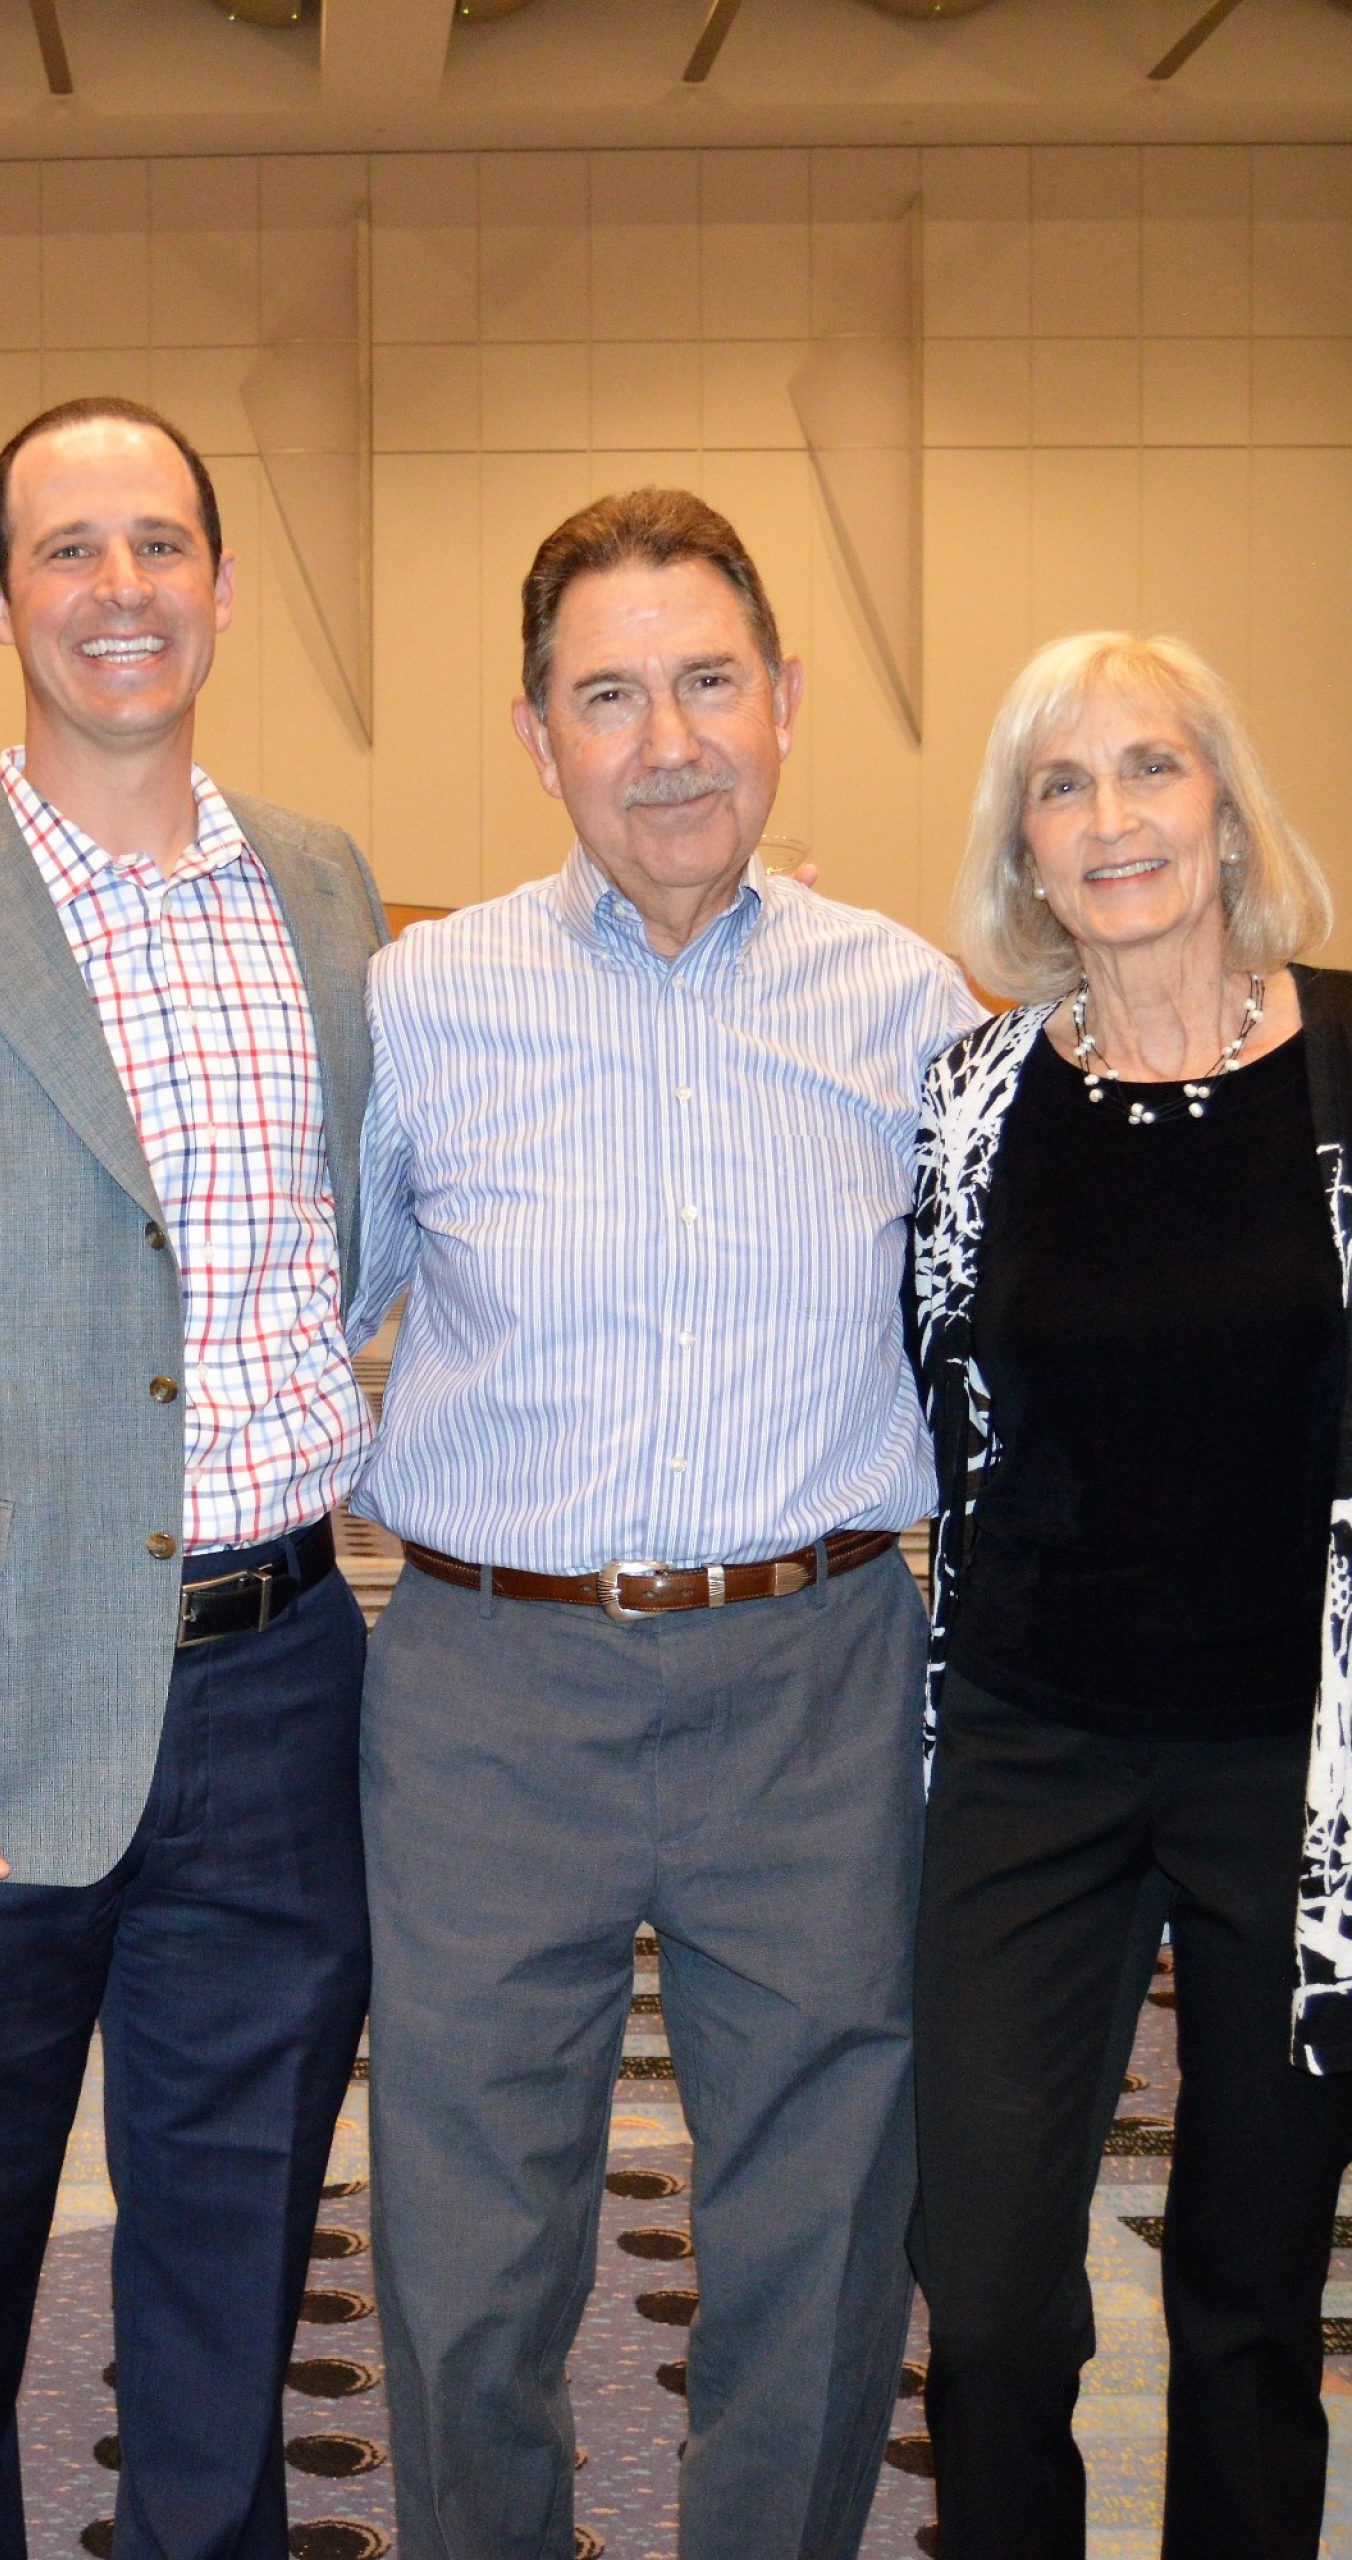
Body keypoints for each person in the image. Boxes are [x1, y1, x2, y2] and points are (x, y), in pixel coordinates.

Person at [0, 395, 384, 2560]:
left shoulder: (317, 885)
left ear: (217, 582)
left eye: (158, 545)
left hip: (289, 1669)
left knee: (236, 2262)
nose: (119, 589)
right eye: (67, 550)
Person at [349, 486, 983, 2560]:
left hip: (809, 1671)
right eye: (604, 694)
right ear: (535, 738)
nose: (665, 739)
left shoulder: (906, 1011)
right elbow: (291, 1319)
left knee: (817, 2217)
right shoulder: (422, 1004)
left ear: (784, 703)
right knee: (462, 2239)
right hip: (480, 1683)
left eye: (705, 680)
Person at [908, 630, 1352, 2557]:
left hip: (1296, 1771)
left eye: (1151, 770)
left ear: (1228, 804)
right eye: (1063, 786)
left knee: (1251, 2307)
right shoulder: (974, 1100)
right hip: (1033, 1756)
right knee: (994, 2304)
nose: (1113, 822)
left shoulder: (1350, 1064)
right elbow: (940, 1401)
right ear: (1023, 841)